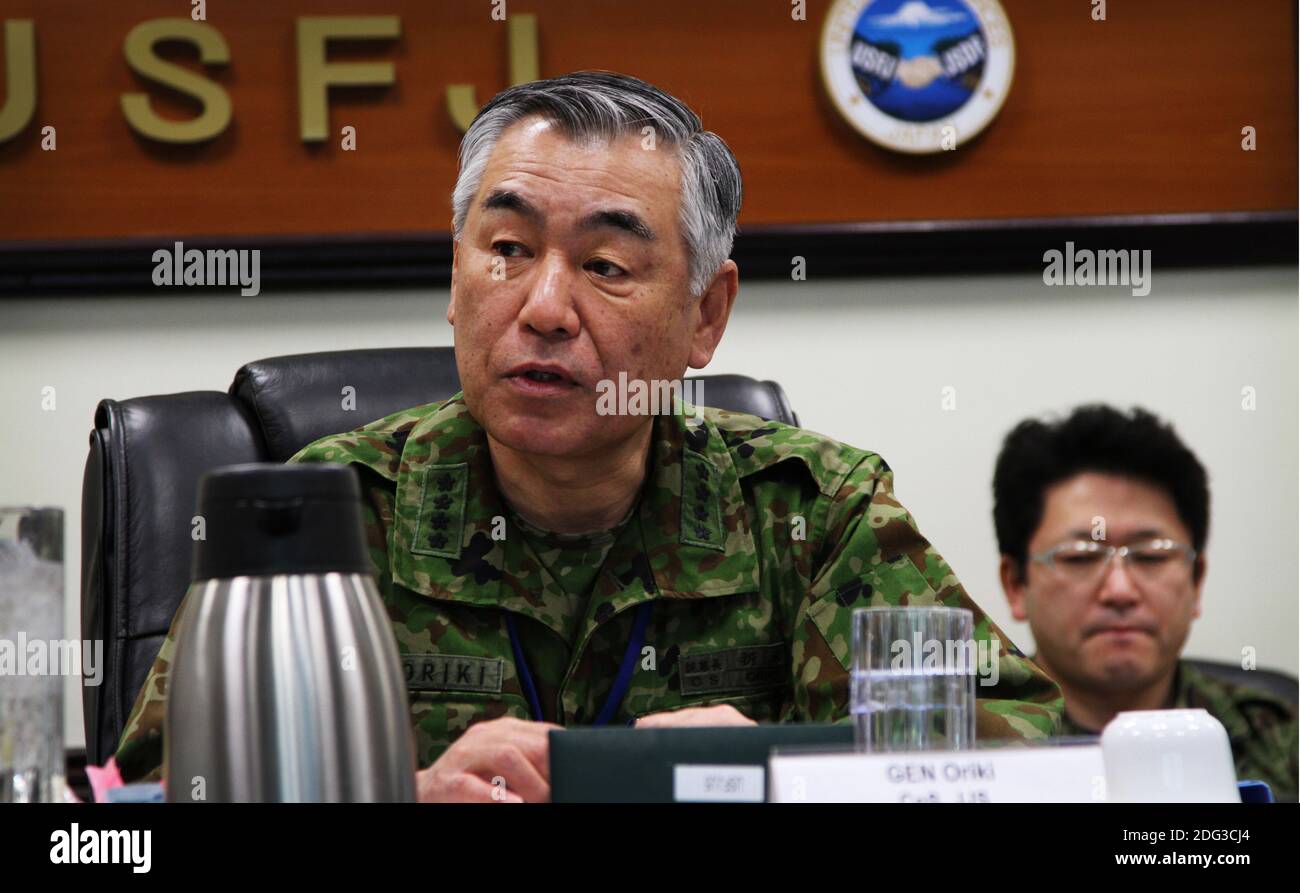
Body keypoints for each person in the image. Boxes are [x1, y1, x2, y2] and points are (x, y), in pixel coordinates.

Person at [115, 70, 1061, 802]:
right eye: (508, 251)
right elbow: (147, 799)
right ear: (456, 280)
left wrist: (783, 774)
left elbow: (1030, 758)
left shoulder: (810, 510)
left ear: (706, 315)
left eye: (606, 263)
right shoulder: (333, 512)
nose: (544, 308)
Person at [994, 404, 1298, 801]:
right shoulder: (964, 743)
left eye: (1152, 555)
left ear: (1197, 579)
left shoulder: (1282, 736)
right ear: (1016, 584)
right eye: (1081, 557)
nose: (1120, 591)